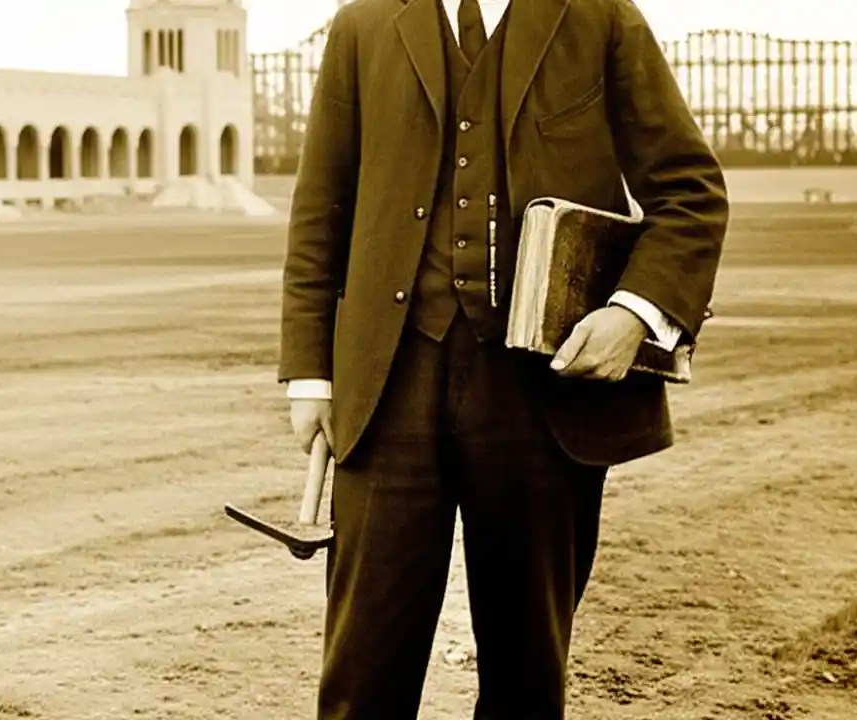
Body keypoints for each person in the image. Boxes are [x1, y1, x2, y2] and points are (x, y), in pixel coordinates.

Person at [278, 0, 728, 717]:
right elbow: (320, 208)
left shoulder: (600, 17)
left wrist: (631, 313)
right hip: (386, 389)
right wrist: (310, 373)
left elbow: (691, 193)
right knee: (362, 681)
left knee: (527, 679)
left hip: (544, 399)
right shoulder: (363, 22)